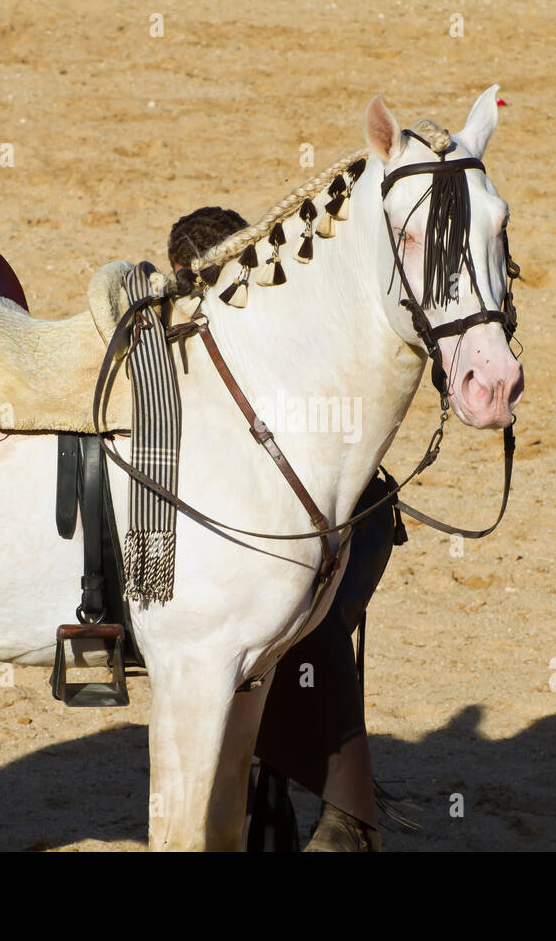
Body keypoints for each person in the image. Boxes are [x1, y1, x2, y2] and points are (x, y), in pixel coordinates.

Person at [166, 207, 403, 851]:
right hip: (352, 528)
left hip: (345, 532)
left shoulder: (266, 338)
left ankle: (341, 814)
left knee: (286, 619)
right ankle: (334, 811)